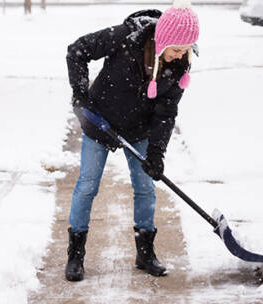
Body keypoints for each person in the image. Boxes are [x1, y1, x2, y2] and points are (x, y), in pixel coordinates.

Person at [64, 0, 200, 282]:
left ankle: (145, 253)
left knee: (145, 187)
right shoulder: (125, 37)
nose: (180, 56)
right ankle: (75, 255)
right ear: (163, 40)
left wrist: (157, 153)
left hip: (139, 129)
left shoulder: (179, 66)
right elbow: (77, 50)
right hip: (100, 121)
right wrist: (80, 92)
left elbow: (165, 113)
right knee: (87, 185)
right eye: (176, 49)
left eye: (186, 50)